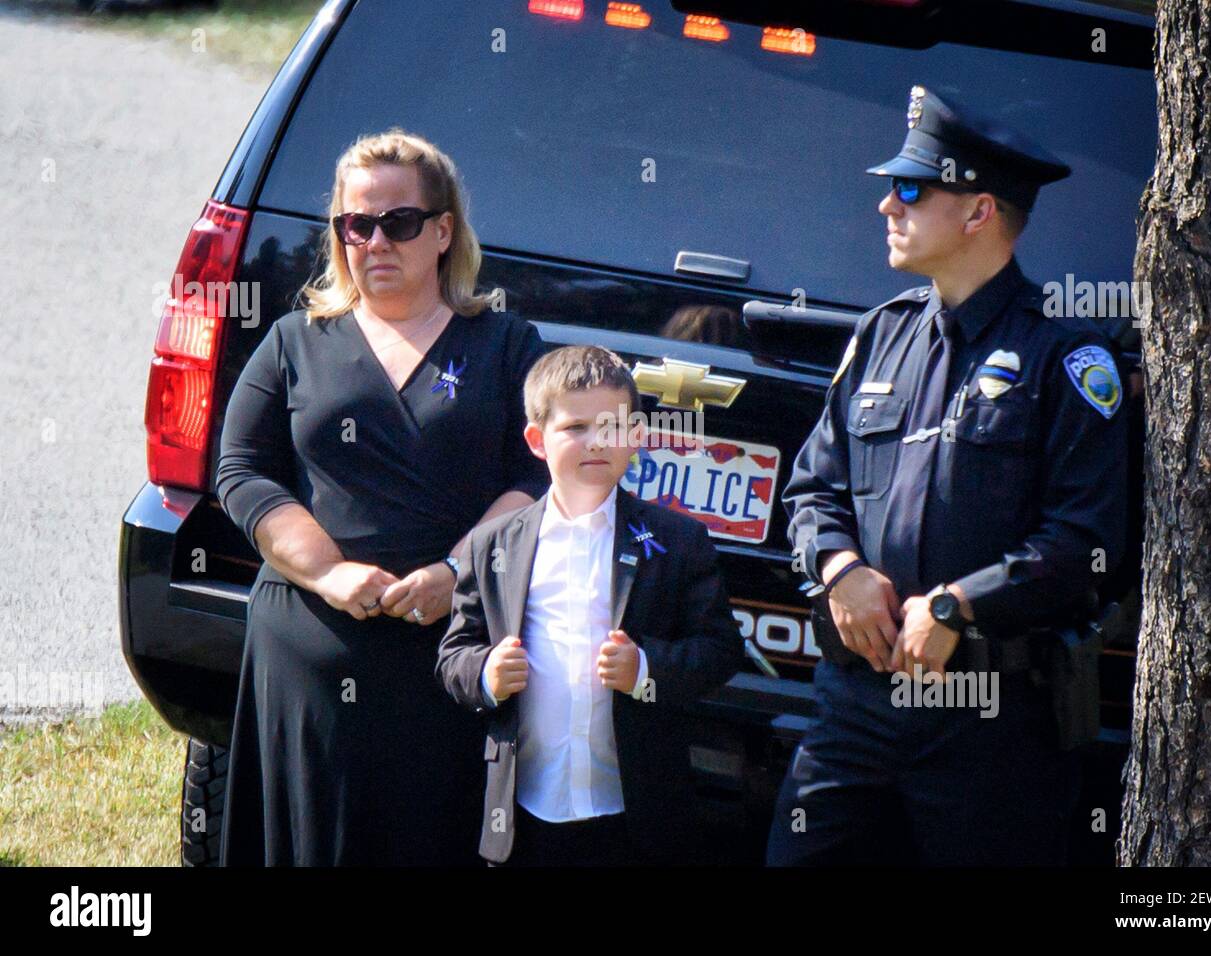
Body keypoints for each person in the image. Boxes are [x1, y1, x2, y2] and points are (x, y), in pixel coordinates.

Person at [767, 86, 1128, 866]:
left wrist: (959, 605)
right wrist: (840, 570)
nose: (885, 207)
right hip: (855, 706)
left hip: (993, 717)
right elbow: (812, 489)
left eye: (910, 188)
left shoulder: (1068, 358)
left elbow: (1087, 540)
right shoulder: (882, 335)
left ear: (977, 212)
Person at [215, 129, 551, 865]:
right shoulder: (293, 341)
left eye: (397, 223)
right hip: (308, 651)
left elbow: (536, 478)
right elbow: (242, 470)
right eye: (355, 225)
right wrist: (329, 573)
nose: (375, 242)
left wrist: (458, 576)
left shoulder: (505, 345)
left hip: (449, 651)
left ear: (442, 231)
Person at [436, 345, 743, 866]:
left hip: (632, 814)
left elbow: (720, 651)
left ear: (637, 439)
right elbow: (454, 654)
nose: (597, 441)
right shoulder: (493, 546)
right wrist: (486, 671)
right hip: (521, 812)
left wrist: (645, 669)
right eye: (575, 427)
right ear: (537, 440)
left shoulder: (677, 541)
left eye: (613, 426)